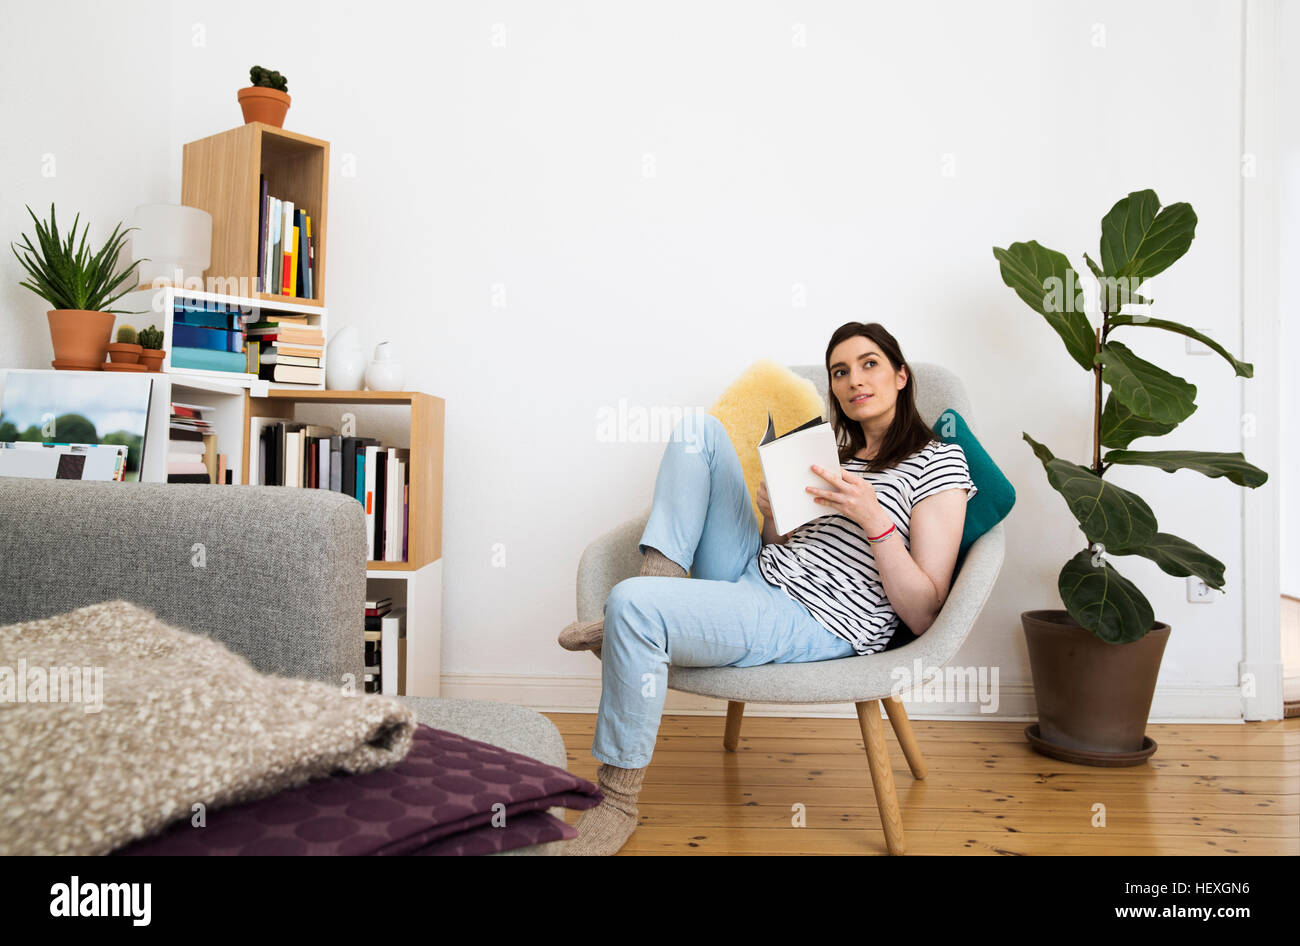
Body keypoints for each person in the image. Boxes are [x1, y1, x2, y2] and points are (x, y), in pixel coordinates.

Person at [556, 321, 977, 855]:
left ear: (900, 375)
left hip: (817, 617)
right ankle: (659, 592)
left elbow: (923, 611)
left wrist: (875, 519)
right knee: (697, 432)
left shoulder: (939, 461)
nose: (853, 380)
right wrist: (773, 517)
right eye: (840, 372)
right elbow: (791, 544)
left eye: (869, 364)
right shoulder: (833, 455)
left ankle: (616, 799)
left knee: (630, 605)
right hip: (759, 569)